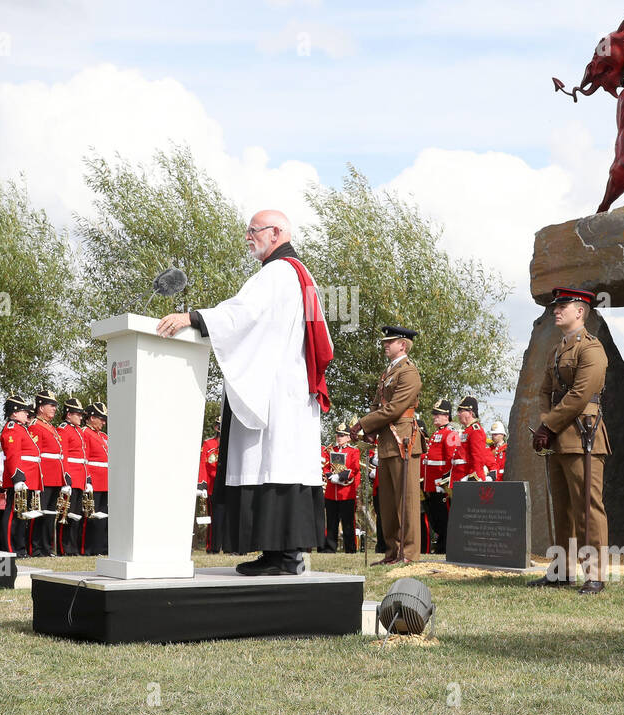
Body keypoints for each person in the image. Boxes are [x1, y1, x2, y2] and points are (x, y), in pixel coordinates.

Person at [156, 208, 331, 576]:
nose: (248, 236)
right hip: (291, 388)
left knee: (270, 463)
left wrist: (194, 318)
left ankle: (282, 556)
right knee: (280, 464)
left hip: (278, 390)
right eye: (247, 230)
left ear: (277, 232)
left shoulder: (278, 274)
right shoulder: (301, 274)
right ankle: (282, 553)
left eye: (255, 230)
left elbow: (241, 314)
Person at [530, 287, 610, 594]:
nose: (556, 310)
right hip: (560, 437)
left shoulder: (591, 348)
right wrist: (545, 424)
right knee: (561, 507)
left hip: (583, 435)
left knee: (587, 507)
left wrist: (548, 425)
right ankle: (561, 571)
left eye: (563, 305)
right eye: (555, 306)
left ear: (581, 311)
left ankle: (596, 574)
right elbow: (543, 392)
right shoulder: (556, 350)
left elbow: (579, 395)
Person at [353, 326, 424, 565]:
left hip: (404, 439)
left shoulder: (409, 372)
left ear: (402, 345)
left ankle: (408, 554)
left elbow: (394, 408)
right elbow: (377, 404)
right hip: (387, 440)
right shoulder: (389, 372)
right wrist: (370, 429)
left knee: (406, 500)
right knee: (388, 501)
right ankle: (392, 552)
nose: (385, 344)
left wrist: (363, 423)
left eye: (390, 341)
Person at [0, 395, 41, 557]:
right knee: (12, 515)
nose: (27, 414)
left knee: (22, 516)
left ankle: (20, 548)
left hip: (27, 478)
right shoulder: (12, 428)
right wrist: (17, 478)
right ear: (15, 413)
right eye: (24, 411)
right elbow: (13, 455)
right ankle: (9, 548)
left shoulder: (21, 428)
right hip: (19, 478)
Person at [29, 391, 67, 557]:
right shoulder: (35, 426)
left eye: (55, 406)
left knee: (51, 514)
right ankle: (35, 548)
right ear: (41, 406)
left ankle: (46, 547)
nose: (54, 409)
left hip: (55, 475)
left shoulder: (51, 427)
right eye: (51, 405)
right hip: (44, 474)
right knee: (40, 513)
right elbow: (35, 453)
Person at [422, 398, 459, 554]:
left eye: (438, 414)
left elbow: (452, 461)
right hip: (431, 484)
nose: (435, 417)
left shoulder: (450, 434)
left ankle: (444, 548)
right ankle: (440, 545)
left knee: (443, 519)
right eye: (434, 414)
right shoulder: (436, 433)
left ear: (447, 416)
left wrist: (443, 483)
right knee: (435, 518)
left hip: (441, 485)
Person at [322, 421, 361, 553]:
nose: (339, 438)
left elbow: (355, 468)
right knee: (331, 522)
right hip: (331, 491)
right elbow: (325, 466)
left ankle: (350, 549)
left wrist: (341, 477)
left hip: (346, 492)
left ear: (348, 437)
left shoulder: (354, 451)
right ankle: (330, 548)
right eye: (338, 435)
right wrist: (330, 476)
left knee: (348, 523)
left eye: (342, 435)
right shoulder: (330, 450)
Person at [59, 398, 90, 556]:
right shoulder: (64, 429)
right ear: (68, 414)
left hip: (81, 477)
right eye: (77, 414)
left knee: (77, 515)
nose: (80, 417)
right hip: (71, 476)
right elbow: (63, 455)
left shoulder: (79, 430)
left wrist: (88, 479)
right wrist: (66, 477)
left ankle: (74, 547)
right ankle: (65, 548)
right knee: (67, 515)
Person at [80, 401, 109, 556]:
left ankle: (102, 546)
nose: (103, 422)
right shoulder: (85, 432)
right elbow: (85, 459)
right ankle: (90, 548)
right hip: (94, 480)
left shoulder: (103, 436)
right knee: (91, 516)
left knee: (104, 516)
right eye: (100, 418)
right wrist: (88, 480)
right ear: (91, 418)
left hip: (105, 481)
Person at [453, 397, 492, 485]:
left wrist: (474, 477)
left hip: (469, 478)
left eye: (461, 411)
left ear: (470, 413)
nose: (458, 414)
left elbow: (478, 458)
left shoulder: (475, 430)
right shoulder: (467, 430)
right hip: (461, 477)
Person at [196, 416, 220, 551]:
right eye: (218, 425)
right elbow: (203, 464)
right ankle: (212, 545)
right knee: (213, 516)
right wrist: (202, 482)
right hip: (212, 484)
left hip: (228, 484)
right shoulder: (208, 444)